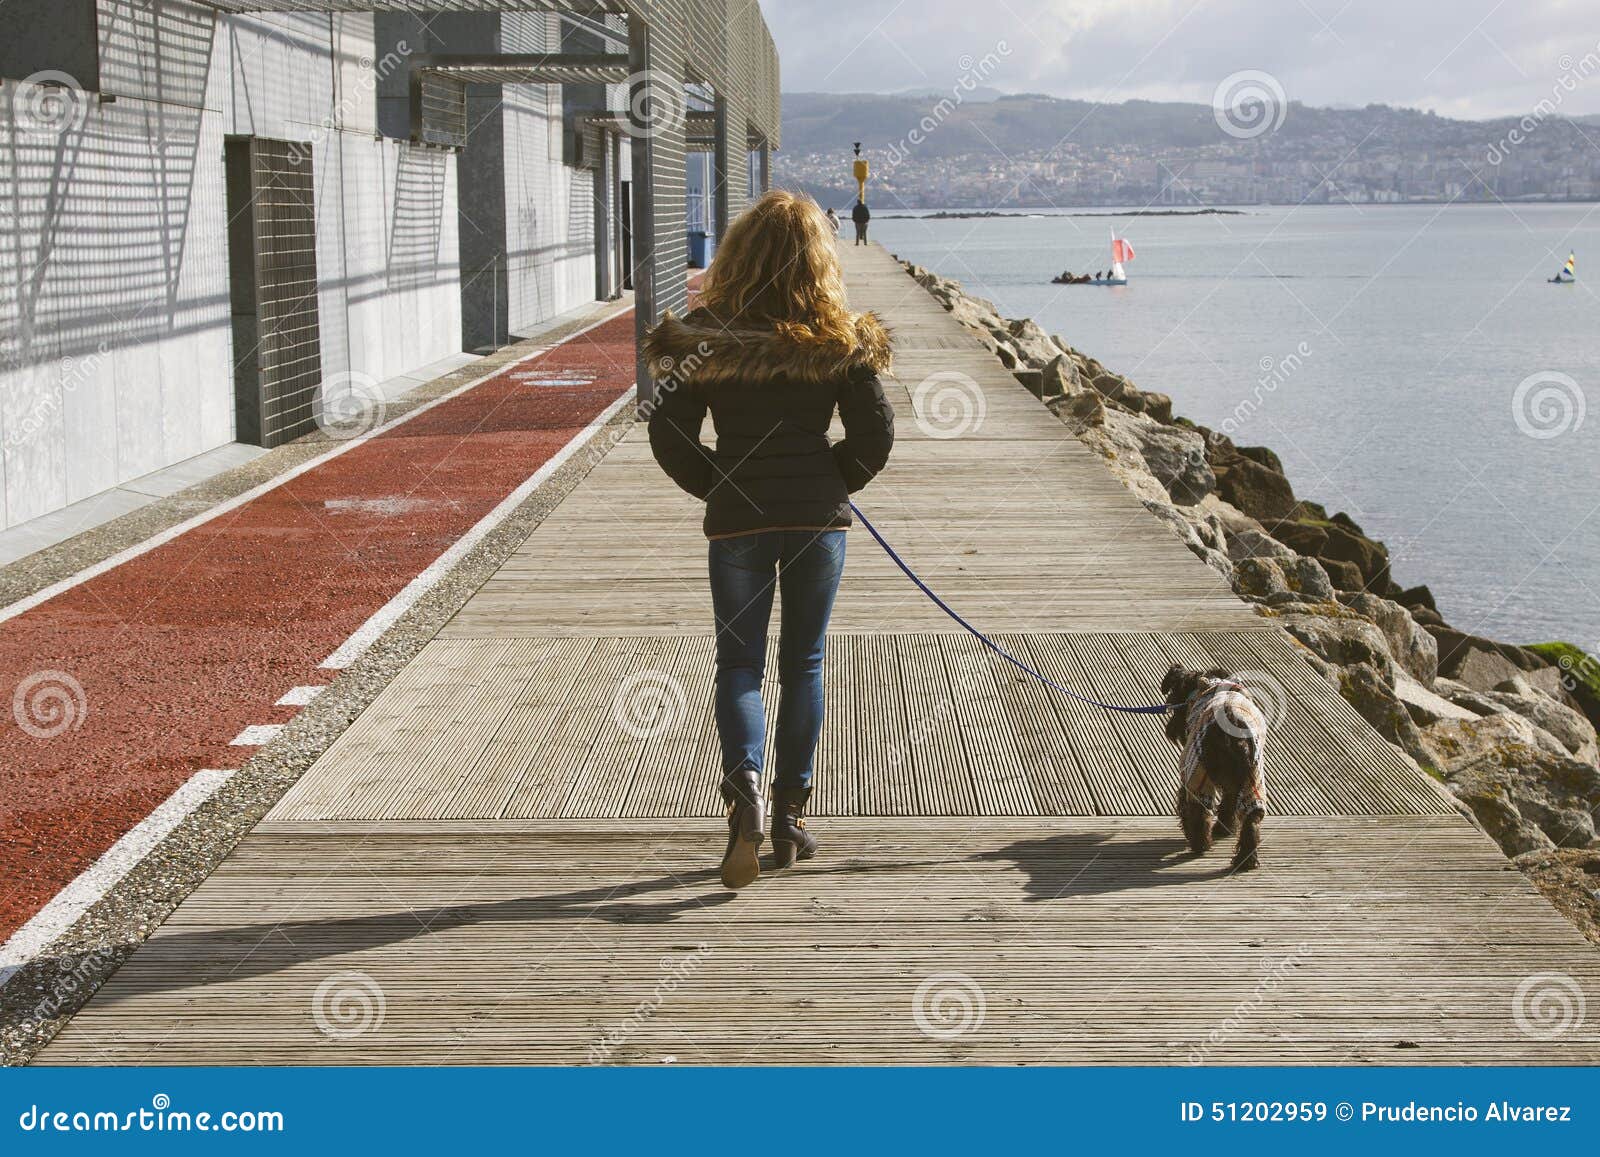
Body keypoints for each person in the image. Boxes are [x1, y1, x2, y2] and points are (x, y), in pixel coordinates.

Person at [645, 190, 895, 890]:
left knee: (738, 664)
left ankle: (745, 786)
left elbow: (668, 432)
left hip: (737, 521)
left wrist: (722, 485)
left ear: (738, 255)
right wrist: (826, 479)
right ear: (820, 259)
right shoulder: (840, 338)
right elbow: (874, 438)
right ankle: (789, 814)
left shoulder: (707, 338)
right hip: (819, 521)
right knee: (804, 662)